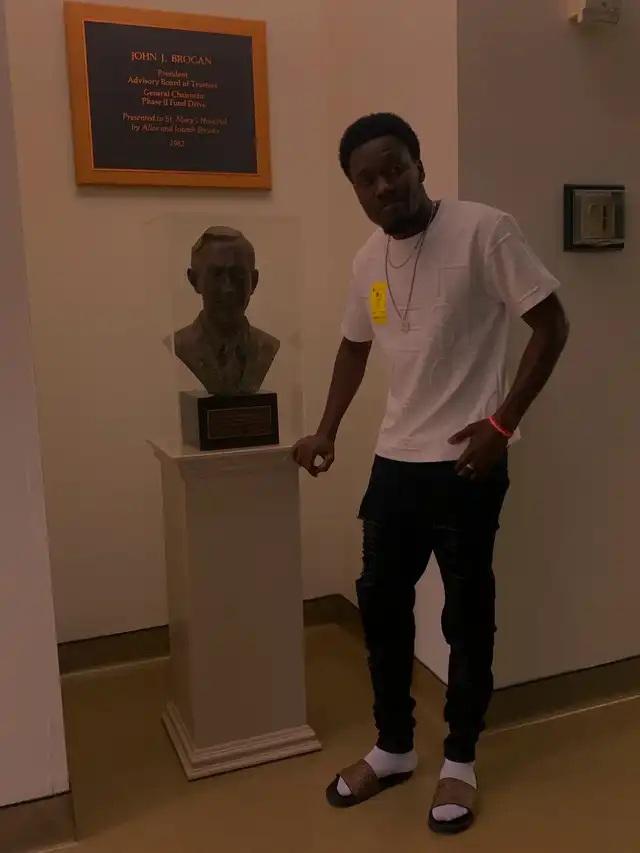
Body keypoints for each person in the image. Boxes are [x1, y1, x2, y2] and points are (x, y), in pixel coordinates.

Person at [292, 113, 569, 835]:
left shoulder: (484, 230)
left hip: (467, 464)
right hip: (394, 463)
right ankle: (393, 747)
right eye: (367, 179)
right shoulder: (367, 261)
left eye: (395, 167)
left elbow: (551, 324)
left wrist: (502, 423)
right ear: (356, 190)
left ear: (417, 163)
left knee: (465, 616)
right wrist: (327, 429)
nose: (385, 186)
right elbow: (355, 346)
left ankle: (461, 759)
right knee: (381, 607)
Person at [173, 226, 280, 395]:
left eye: (237, 275)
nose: (228, 288)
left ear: (254, 282)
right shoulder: (180, 345)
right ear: (194, 280)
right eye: (216, 275)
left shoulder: (266, 346)